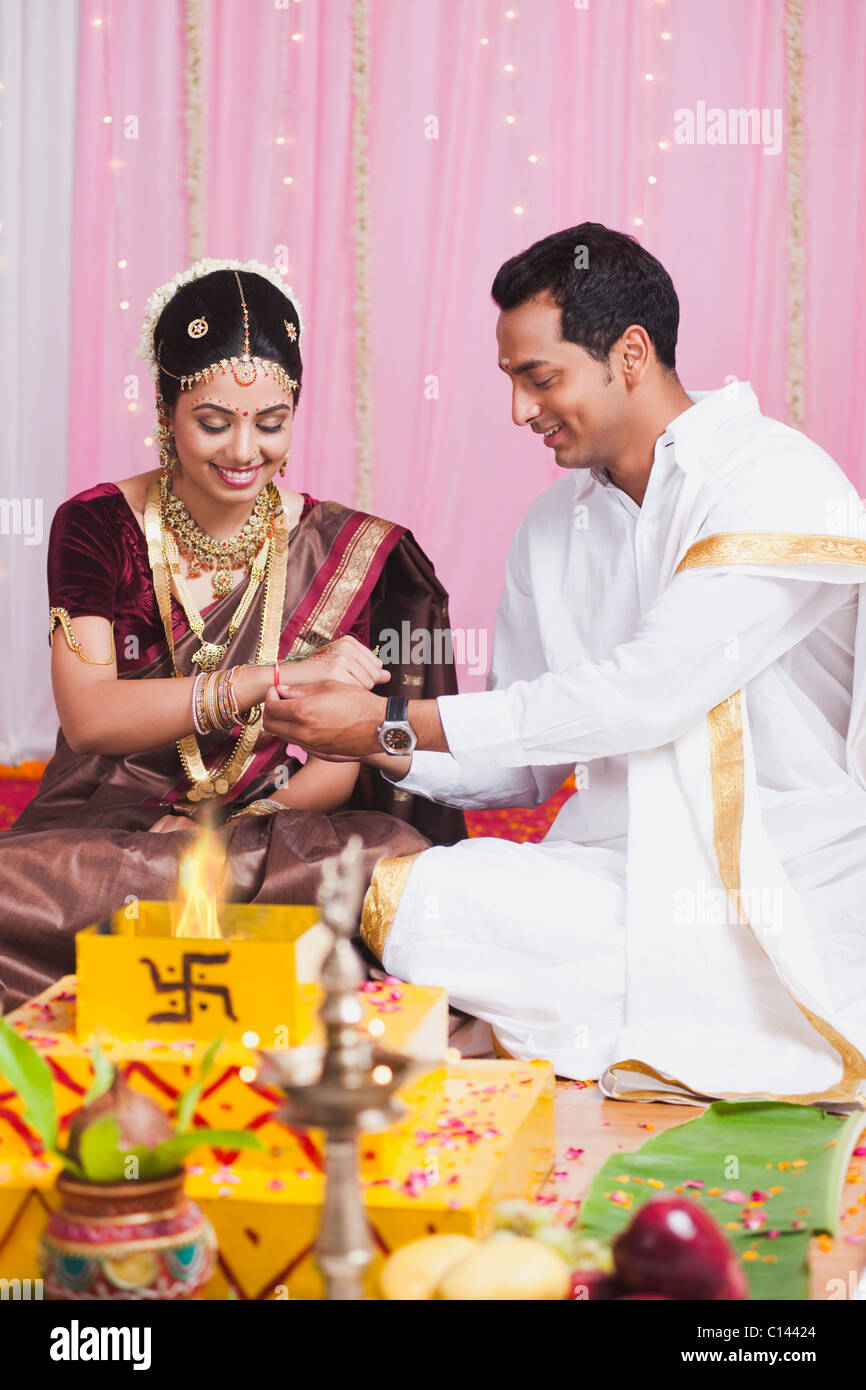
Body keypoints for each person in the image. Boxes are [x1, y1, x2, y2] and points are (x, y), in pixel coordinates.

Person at [262, 223, 866, 1107]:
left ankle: (519, 1024)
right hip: (613, 875)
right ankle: (532, 1022)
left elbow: (645, 695)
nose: (520, 412)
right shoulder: (550, 529)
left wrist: (393, 721)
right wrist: (362, 738)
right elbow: (521, 763)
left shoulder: (770, 477)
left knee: (735, 970)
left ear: (630, 353)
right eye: (512, 381)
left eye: (540, 379)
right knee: (430, 897)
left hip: (790, 872)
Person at [0, 259, 463, 1012]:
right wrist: (268, 679)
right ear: (165, 409)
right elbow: (90, 718)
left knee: (394, 866)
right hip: (111, 826)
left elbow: (341, 762)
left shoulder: (342, 548)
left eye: (271, 423)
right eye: (214, 423)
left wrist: (247, 821)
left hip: (272, 831)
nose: (245, 450)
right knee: (23, 889)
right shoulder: (98, 526)